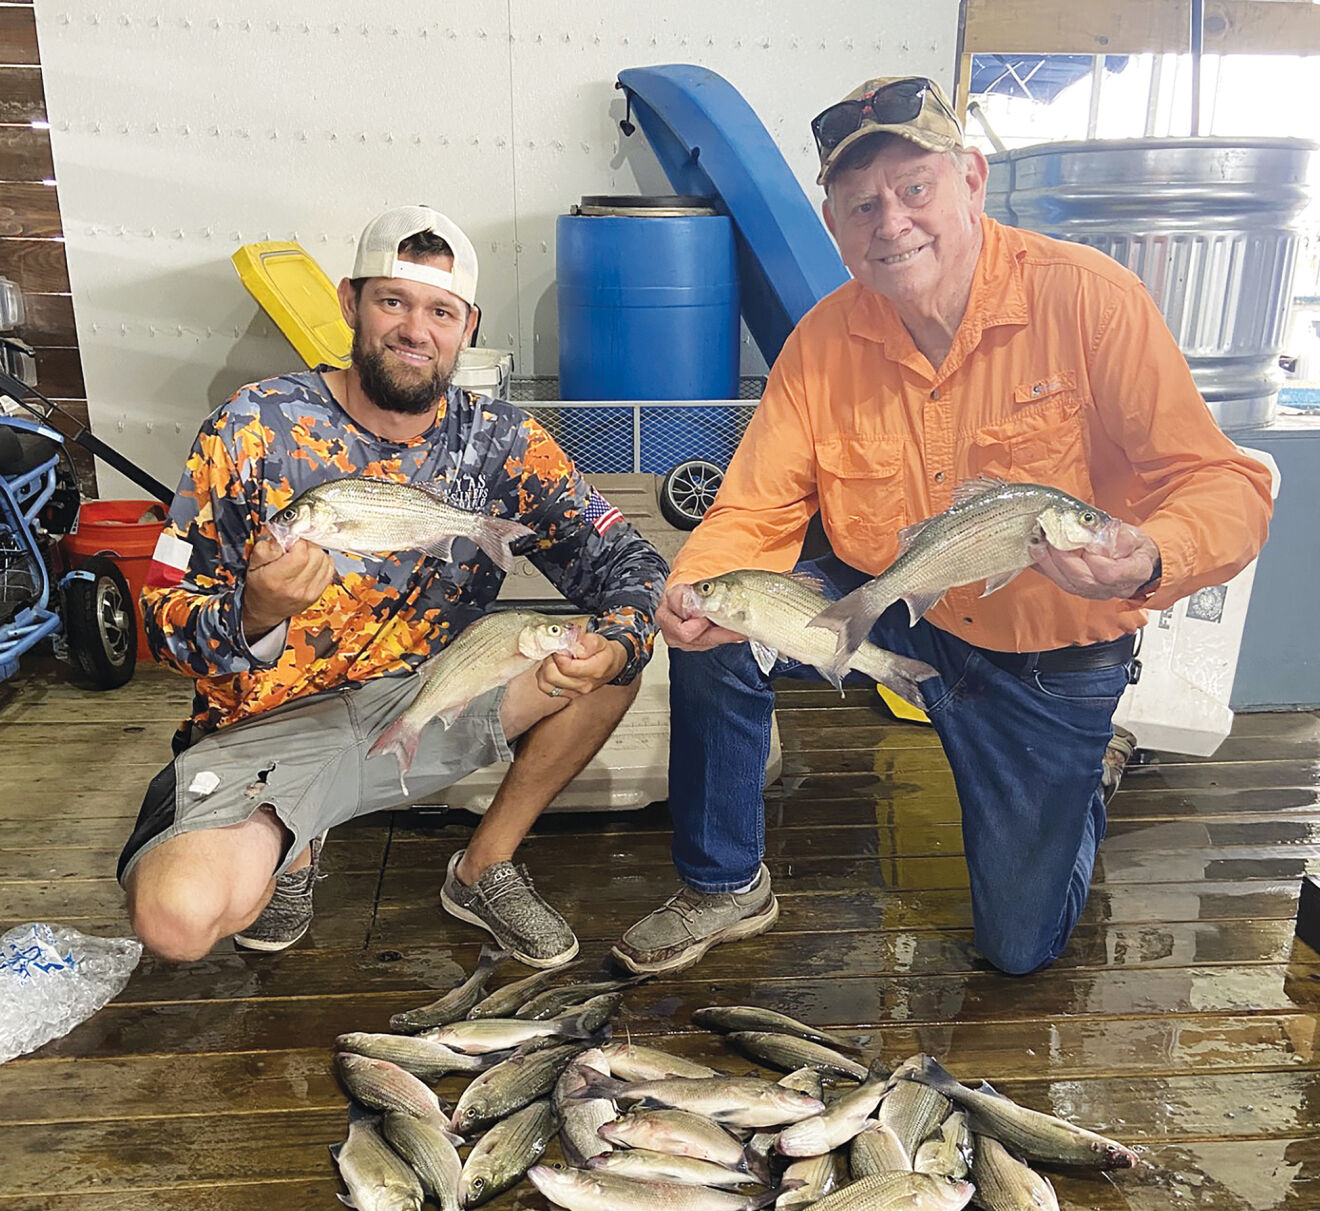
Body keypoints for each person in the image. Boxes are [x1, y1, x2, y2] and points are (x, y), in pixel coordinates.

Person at [612, 76, 1272, 978]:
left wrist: (1152, 555)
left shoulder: (1092, 301)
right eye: (861, 204)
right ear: (836, 224)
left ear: (971, 180)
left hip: (1047, 654)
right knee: (724, 613)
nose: (891, 222)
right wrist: (701, 587)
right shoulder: (821, 343)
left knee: (1018, 951)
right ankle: (725, 883)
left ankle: (1088, 770)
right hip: (887, 597)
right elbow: (757, 507)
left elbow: (1220, 483)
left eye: (914, 189)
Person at [121, 205, 666, 966]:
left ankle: (481, 870)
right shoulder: (249, 428)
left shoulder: (504, 443)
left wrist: (618, 641)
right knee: (176, 924)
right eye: (393, 302)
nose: (416, 330)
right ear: (349, 302)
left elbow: (630, 564)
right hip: (277, 727)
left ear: (467, 326)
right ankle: (293, 847)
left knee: (611, 662)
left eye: (440, 311)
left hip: (434, 695)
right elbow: (161, 616)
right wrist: (255, 612)